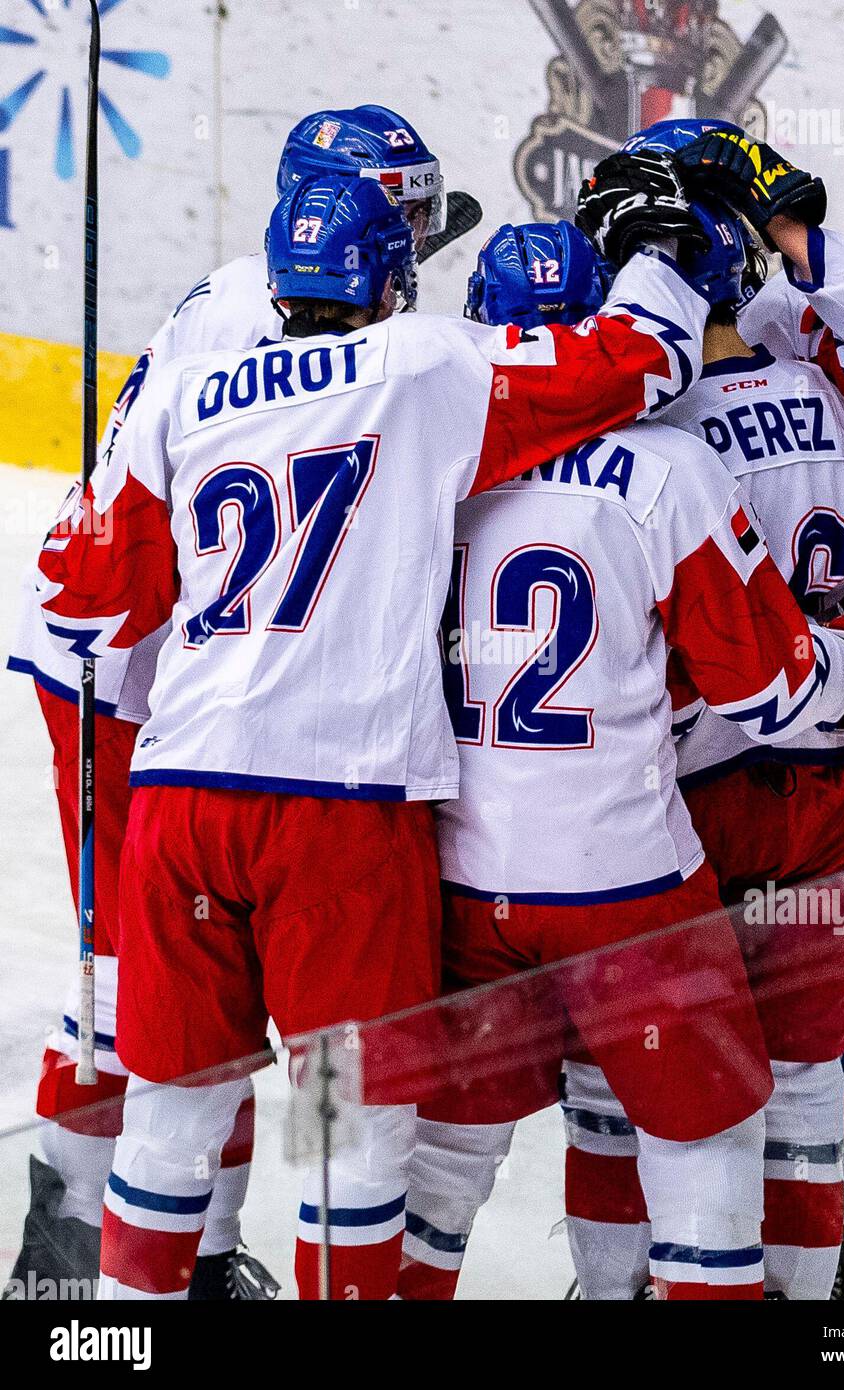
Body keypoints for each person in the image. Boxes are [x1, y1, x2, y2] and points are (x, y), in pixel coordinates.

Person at [34, 148, 747, 1299]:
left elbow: (83, 594)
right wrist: (660, 260)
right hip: (334, 823)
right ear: (390, 281)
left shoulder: (184, 387)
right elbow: (635, 365)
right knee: (345, 1136)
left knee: (171, 1108)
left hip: (180, 810)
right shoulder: (424, 365)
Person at [396, 215, 844, 1300]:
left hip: (465, 877)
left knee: (447, 1153)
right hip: (636, 869)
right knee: (734, 1123)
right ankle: (786, 1285)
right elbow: (771, 685)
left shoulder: (415, 460)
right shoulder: (685, 450)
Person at [5, 104, 452, 1303]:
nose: (415, 233)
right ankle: (58, 1253)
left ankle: (181, 1265)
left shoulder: (269, 291)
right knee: (120, 992)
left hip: (183, 707)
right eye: (398, 207)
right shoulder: (277, 324)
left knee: (194, 1034)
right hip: (130, 692)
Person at [558, 125, 844, 1300]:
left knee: (638, 1079)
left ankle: (618, 1282)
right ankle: (807, 1282)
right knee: (799, 1074)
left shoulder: (625, 426)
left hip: (666, 812)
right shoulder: (832, 398)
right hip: (817, 794)